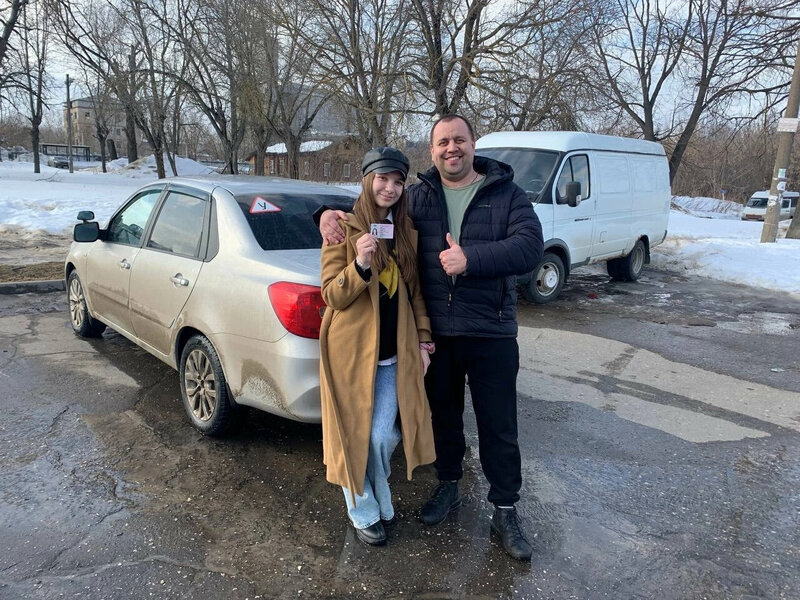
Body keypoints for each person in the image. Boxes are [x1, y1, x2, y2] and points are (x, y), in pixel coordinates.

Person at [318, 115, 544, 560]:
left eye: (459, 140)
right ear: (433, 150)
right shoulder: (419, 197)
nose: (451, 148)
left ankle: (505, 509)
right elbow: (371, 205)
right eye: (442, 142)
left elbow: (531, 249)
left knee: (498, 425)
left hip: (491, 331)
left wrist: (470, 259)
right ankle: (448, 486)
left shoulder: (506, 194)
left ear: (473, 144)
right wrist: (324, 214)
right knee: (444, 419)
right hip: (439, 333)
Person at [318, 146, 436, 547]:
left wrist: (424, 341)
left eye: (398, 181)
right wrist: (360, 265)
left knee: (381, 437)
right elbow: (332, 295)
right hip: (349, 354)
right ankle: (364, 510)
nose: (390, 188)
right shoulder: (342, 228)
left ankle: (378, 496)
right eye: (382, 179)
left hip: (393, 356)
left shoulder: (404, 232)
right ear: (368, 180)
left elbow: (416, 295)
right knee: (352, 435)